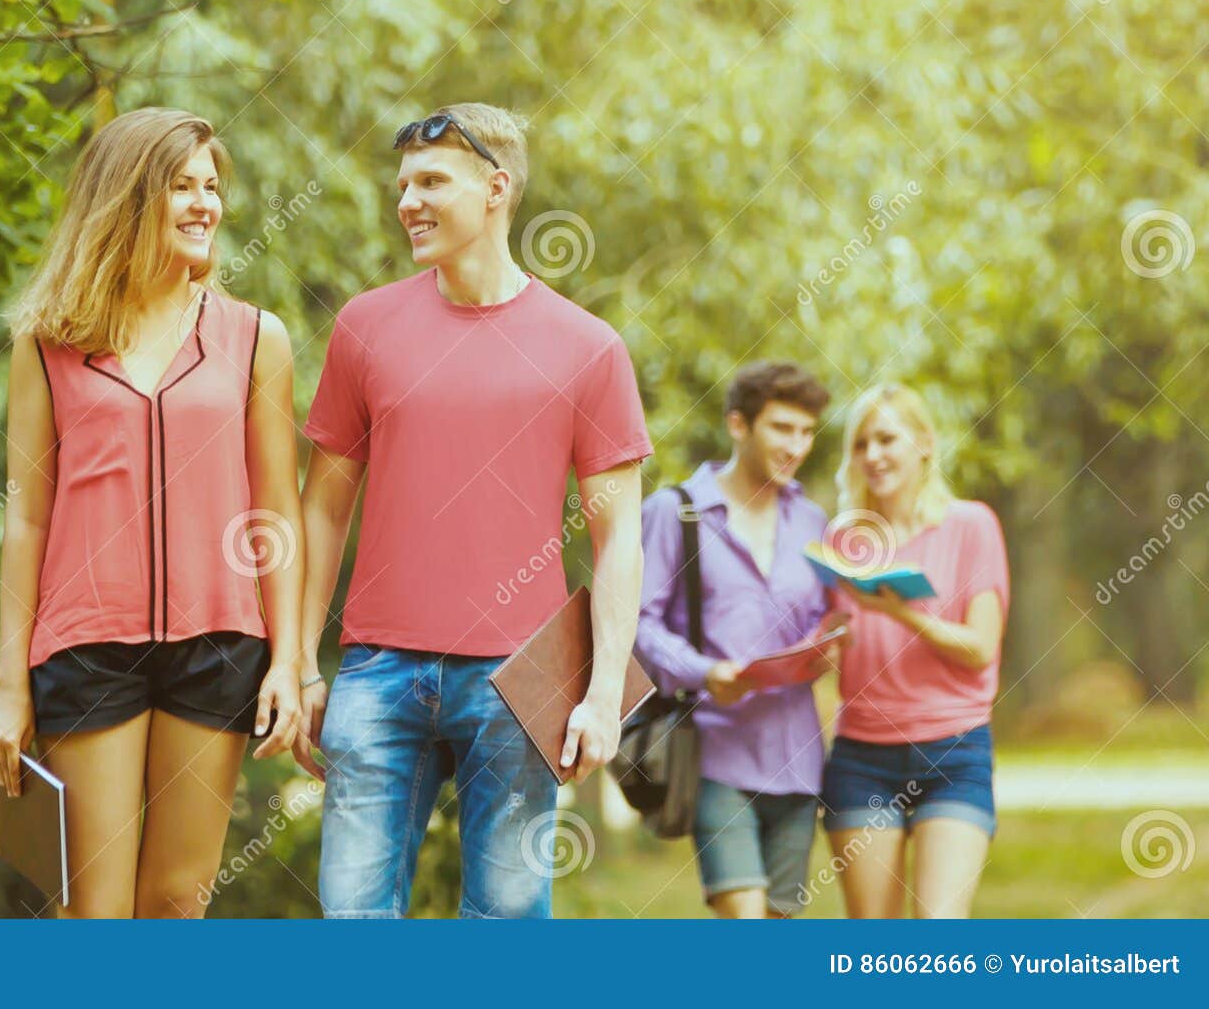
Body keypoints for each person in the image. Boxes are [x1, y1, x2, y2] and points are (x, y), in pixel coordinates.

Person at [295, 103, 652, 918]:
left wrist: (601, 693)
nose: (407, 202)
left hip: (517, 678)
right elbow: (322, 509)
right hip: (377, 670)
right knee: (352, 923)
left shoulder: (586, 346)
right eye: (403, 185)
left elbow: (619, 533)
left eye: (431, 182)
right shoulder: (365, 327)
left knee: (507, 928)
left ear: (496, 189)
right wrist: (304, 660)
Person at [0, 107, 303, 918]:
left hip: (220, 642)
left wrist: (291, 661)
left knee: (174, 905)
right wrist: (10, 686)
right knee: (95, 914)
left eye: (212, 186)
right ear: (127, 198)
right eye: (182, 186)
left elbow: (278, 510)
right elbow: (26, 519)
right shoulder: (48, 343)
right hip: (86, 645)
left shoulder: (257, 338)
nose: (207, 205)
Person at [634, 362, 837, 918]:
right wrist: (704, 671)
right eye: (781, 428)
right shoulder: (676, 513)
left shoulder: (813, 521)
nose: (796, 445)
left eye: (805, 431)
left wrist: (829, 644)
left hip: (798, 760)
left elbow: (823, 618)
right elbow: (638, 624)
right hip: (715, 752)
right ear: (739, 425)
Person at [819, 383, 1009, 918]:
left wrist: (897, 611)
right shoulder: (844, 543)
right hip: (862, 757)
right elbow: (833, 655)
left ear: (924, 443)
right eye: (860, 444)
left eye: (886, 439)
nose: (873, 456)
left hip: (954, 751)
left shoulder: (971, 525)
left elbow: (979, 649)